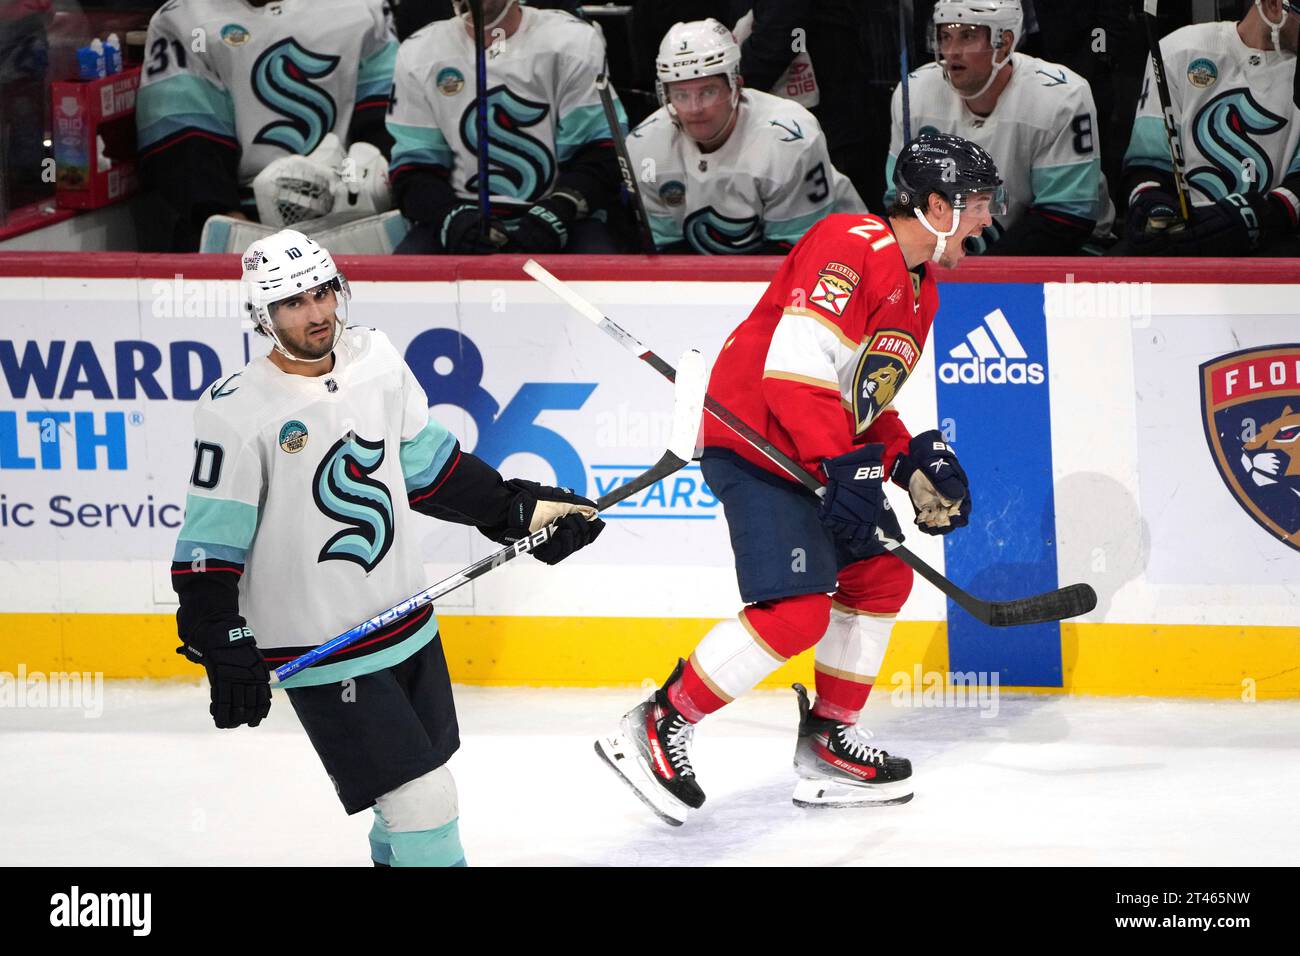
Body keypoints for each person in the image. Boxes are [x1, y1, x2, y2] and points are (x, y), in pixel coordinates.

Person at [596, 134, 1001, 825]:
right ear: (936, 206)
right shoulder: (851, 243)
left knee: (880, 578)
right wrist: (848, 472)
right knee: (798, 611)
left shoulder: (919, 289)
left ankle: (827, 746)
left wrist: (907, 460)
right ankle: (658, 722)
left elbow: (858, 399)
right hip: (757, 446)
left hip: (808, 451)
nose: (986, 220)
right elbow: (794, 374)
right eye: (978, 205)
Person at [170, 229, 604, 865]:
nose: (316, 313)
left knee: (405, 802)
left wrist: (519, 509)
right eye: (293, 303)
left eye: (322, 293)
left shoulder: (376, 358)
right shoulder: (236, 413)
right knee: (425, 801)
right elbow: (209, 543)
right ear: (263, 316)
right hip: (321, 646)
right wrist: (216, 631)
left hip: (406, 624)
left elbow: (430, 470)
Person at [136, 0, 398, 251]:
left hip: (352, 212)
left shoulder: (361, 9)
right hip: (243, 217)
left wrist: (364, 193)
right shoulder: (187, 22)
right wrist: (238, 233)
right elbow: (187, 149)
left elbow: (386, 123)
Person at [386, 0, 627, 254]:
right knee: (393, 288)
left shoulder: (572, 43)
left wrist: (560, 208)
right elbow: (411, 169)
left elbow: (603, 152)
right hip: (459, 217)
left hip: (566, 219)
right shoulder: (419, 53)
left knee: (600, 286)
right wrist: (451, 217)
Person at [885, 0, 1114, 256]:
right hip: (953, 257)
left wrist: (978, 272)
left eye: (968, 36)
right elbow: (902, 201)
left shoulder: (1063, 96)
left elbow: (1065, 218)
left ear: (1004, 43)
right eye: (945, 36)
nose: (952, 51)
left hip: (1066, 251)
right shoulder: (914, 94)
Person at [626, 18, 865, 255]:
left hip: (836, 258)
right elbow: (668, 251)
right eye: (680, 95)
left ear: (736, 86)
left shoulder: (789, 140)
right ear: (664, 95)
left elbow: (797, 253)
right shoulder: (644, 147)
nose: (694, 108)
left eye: (708, 91)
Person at [1117, 0, 1300, 257]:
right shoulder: (1179, 50)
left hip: (1276, 248)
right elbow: (1148, 164)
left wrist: (1261, 216)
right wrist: (1152, 206)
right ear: (1273, 6)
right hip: (1183, 245)